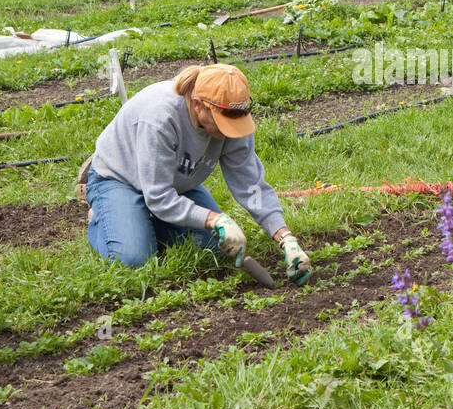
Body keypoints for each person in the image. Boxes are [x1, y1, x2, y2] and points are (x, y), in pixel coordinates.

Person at [82, 63, 313, 285]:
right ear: (197, 105)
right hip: (119, 178)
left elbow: (250, 185)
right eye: (222, 122)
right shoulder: (160, 118)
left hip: (176, 183)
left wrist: (285, 237)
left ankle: (140, 220)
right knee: (134, 259)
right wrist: (215, 219)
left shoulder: (235, 118)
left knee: (218, 247)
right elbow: (159, 197)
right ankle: (104, 216)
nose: (230, 131)